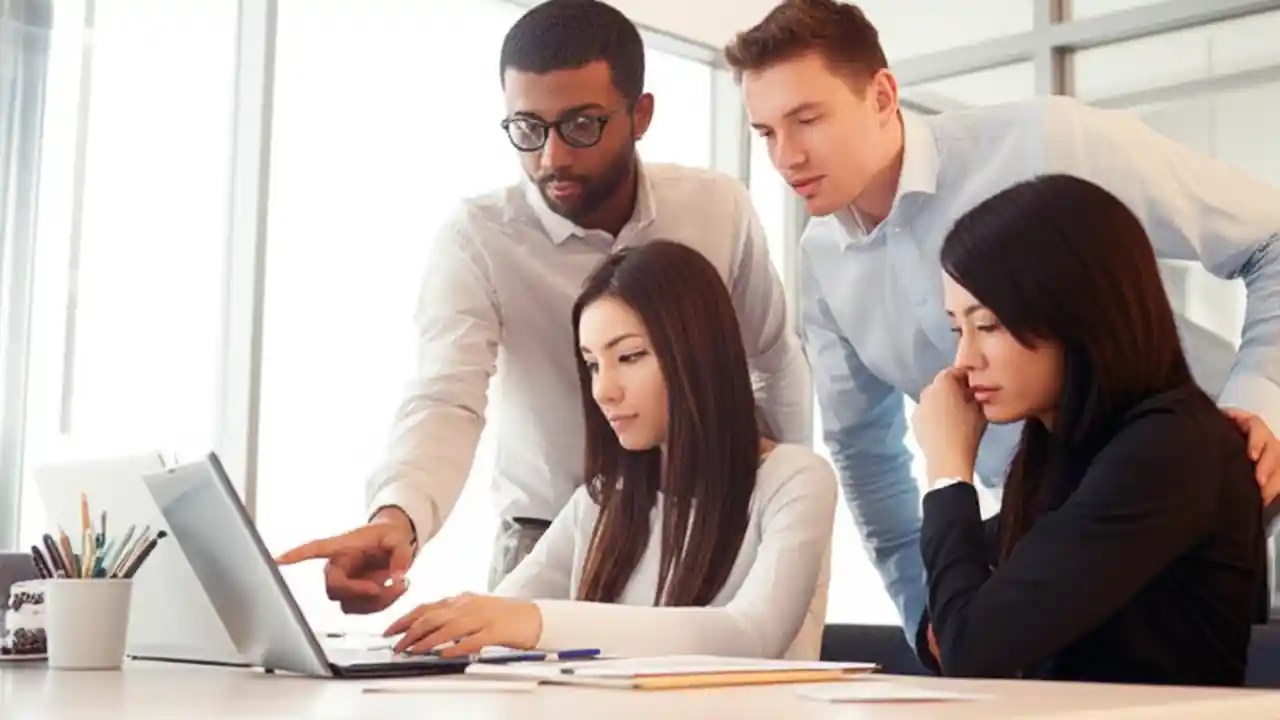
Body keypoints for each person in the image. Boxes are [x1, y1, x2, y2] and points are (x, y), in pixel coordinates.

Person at [724, 0, 1280, 643]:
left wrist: (1257, 403)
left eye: (808, 119)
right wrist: (924, 614)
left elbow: (1270, 237)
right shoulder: (822, 262)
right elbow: (864, 453)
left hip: (1208, 483)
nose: (786, 156)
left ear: (881, 95)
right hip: (1038, 538)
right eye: (765, 133)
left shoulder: (1049, 141)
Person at [275, 0, 810, 613]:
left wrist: (780, 504)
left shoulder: (716, 208)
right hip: (544, 534)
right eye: (528, 128)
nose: (552, 158)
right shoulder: (478, 238)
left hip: (698, 531)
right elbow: (445, 398)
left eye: (581, 125)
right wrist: (399, 516)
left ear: (640, 115)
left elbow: (772, 361)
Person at [380, 241, 837, 660]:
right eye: (593, 364)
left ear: (697, 352)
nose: (604, 390)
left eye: (630, 356)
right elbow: (497, 617)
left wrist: (535, 622)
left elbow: (750, 636)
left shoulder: (794, 481)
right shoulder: (603, 500)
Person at [911, 175, 1267, 685]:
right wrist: (965, 618)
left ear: (1075, 313)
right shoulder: (1062, 454)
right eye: (956, 329)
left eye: (987, 324)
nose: (964, 360)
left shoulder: (1170, 449)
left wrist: (949, 473)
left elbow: (970, 647)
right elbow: (944, 630)